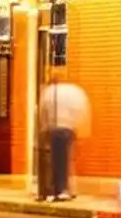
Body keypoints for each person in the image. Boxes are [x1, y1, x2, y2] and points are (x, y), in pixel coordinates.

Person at [38, 72, 90, 201]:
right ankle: (69, 188)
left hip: (55, 128)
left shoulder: (49, 92)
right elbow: (81, 109)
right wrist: (78, 127)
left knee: (57, 160)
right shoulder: (74, 91)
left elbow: (42, 111)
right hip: (69, 128)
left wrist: (44, 129)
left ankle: (60, 189)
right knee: (68, 158)